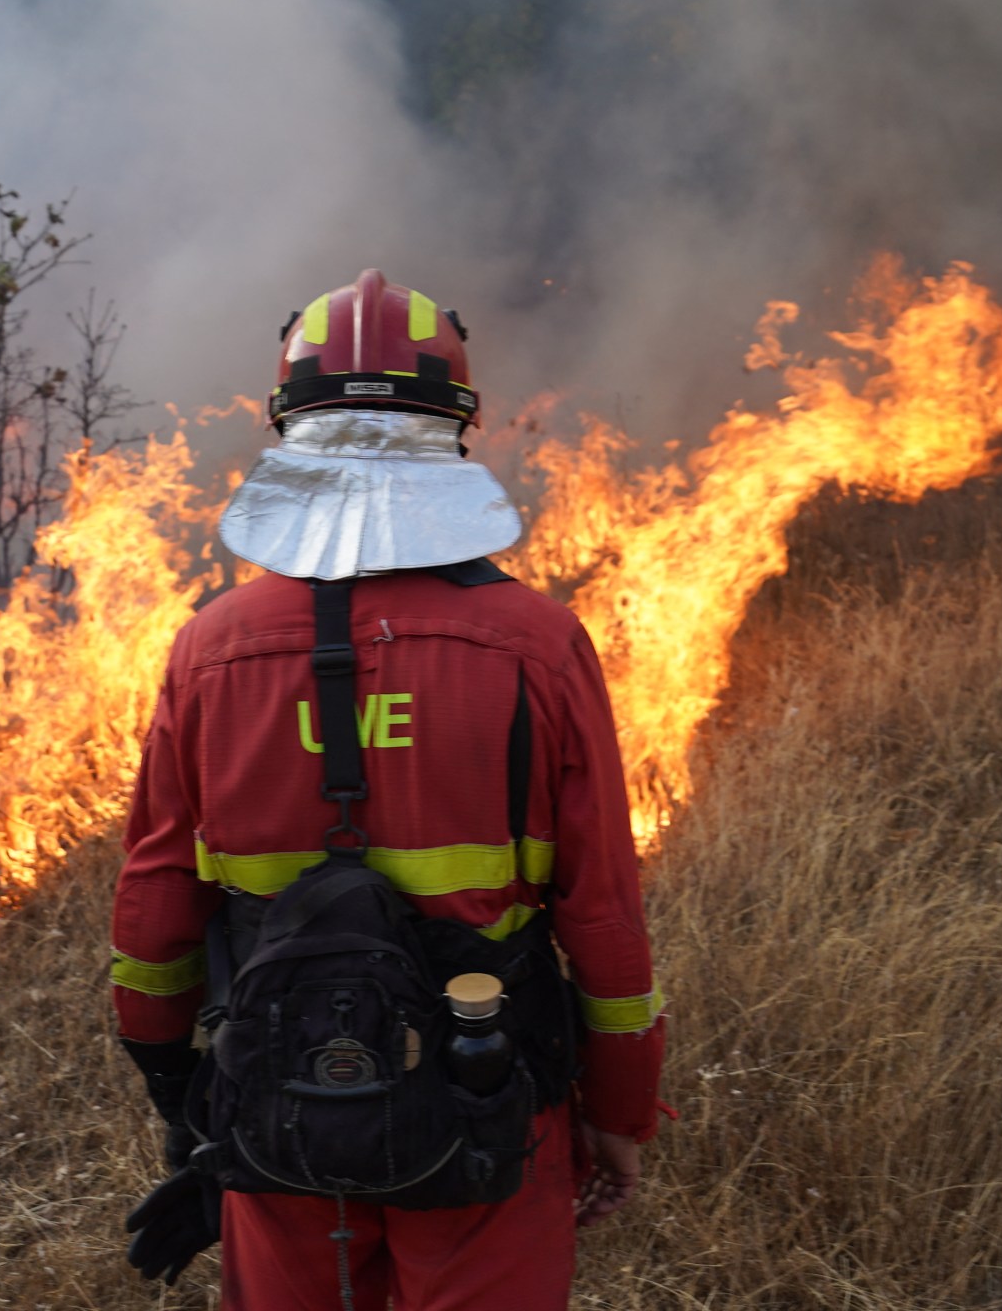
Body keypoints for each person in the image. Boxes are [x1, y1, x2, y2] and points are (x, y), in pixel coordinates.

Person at [111, 269, 666, 1311]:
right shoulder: (539, 647)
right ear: (458, 426)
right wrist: (620, 1114)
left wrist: (181, 1096)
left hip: (276, 1105)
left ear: (286, 423)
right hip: (493, 1103)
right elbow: (602, 916)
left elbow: (152, 909)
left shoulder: (208, 649)